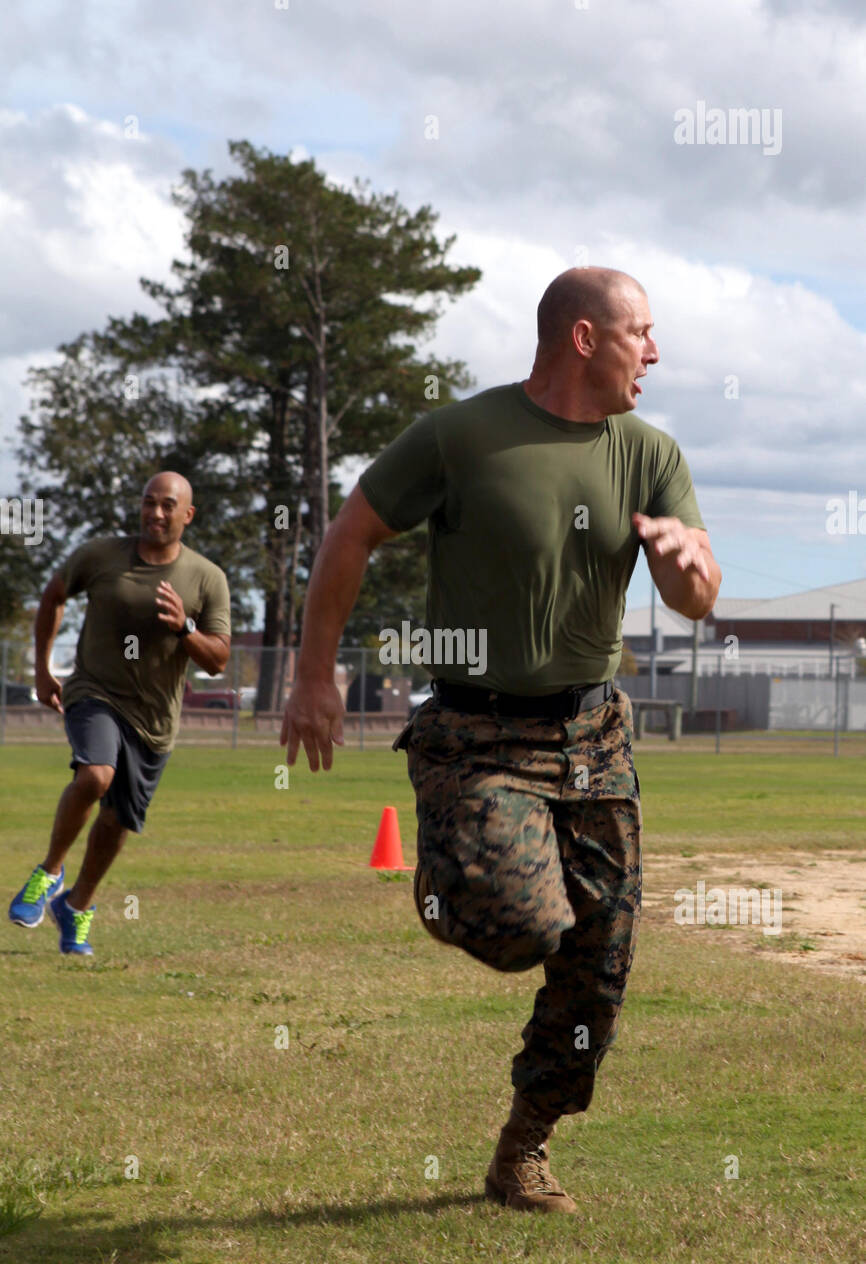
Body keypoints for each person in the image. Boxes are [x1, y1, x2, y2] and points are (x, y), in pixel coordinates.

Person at [280, 267, 721, 1213]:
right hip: (478, 733)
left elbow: (694, 592)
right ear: (583, 339)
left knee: (599, 960)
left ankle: (524, 1146)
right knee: (522, 928)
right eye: (642, 332)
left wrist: (689, 570)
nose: (657, 351)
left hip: (594, 732)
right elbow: (349, 535)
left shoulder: (649, 453)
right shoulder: (461, 434)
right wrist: (313, 675)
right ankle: (452, 887)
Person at [9, 472, 231, 956]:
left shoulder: (206, 578)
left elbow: (217, 659)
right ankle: (48, 872)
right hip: (94, 692)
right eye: (149, 503)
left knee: (118, 821)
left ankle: (77, 906)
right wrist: (43, 670)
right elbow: (53, 595)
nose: (155, 513)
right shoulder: (101, 555)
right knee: (95, 775)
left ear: (187, 515)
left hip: (154, 721)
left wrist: (185, 628)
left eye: (168, 505)